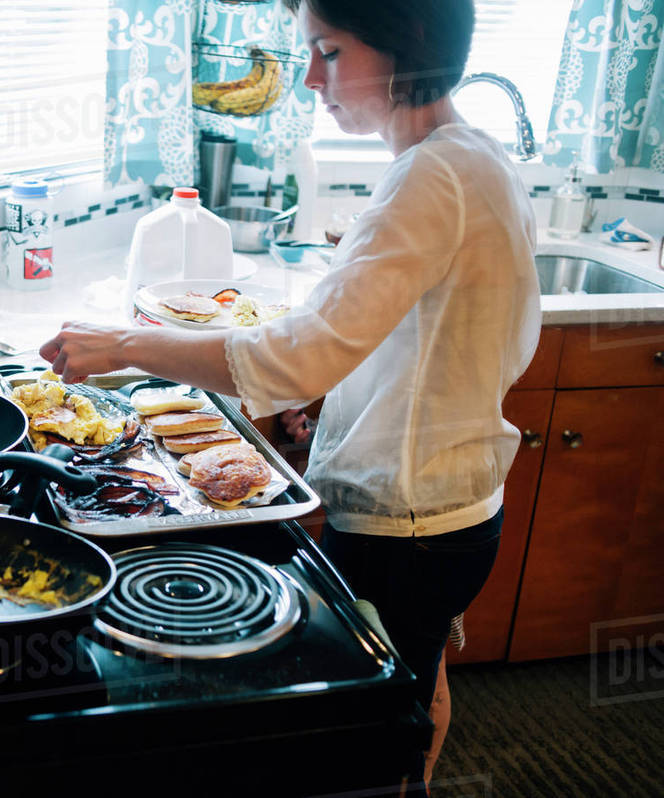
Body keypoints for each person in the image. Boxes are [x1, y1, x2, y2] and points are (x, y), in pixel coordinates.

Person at [40, 0, 540, 790]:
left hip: (403, 528)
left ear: (404, 49)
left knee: (367, 732)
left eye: (330, 51)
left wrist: (123, 346)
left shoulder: (431, 177)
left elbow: (298, 354)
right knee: (414, 686)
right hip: (457, 508)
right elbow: (430, 343)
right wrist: (331, 401)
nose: (309, 78)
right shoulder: (472, 157)